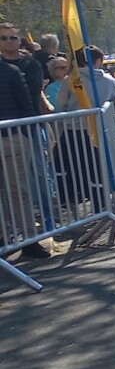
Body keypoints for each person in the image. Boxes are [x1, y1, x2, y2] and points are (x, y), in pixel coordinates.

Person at [54, 46, 115, 212]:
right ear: (99, 60)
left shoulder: (70, 80)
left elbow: (61, 104)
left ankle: (67, 201)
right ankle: (101, 205)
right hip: (99, 130)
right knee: (97, 168)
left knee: (67, 166)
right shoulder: (109, 80)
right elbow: (114, 98)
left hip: (74, 130)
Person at [0, 57, 50, 259]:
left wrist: (25, 135)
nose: (8, 42)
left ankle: (29, 240)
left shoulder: (10, 71)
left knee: (18, 191)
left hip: (12, 138)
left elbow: (26, 105)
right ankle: (4, 238)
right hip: (13, 137)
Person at [1, 23, 51, 115]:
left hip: (28, 117)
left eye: (13, 38)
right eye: (4, 38)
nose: (8, 41)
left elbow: (32, 92)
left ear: (20, 40)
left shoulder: (32, 64)